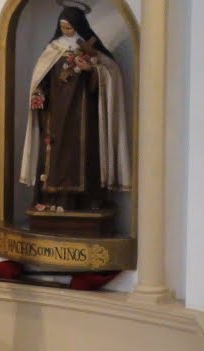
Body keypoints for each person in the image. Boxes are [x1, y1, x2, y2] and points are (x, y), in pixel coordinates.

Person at [19, 7, 130, 213]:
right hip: (57, 116)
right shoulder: (53, 49)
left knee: (86, 155)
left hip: (85, 117)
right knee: (57, 158)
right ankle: (55, 200)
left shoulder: (90, 48)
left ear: (79, 26)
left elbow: (111, 74)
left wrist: (92, 70)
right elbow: (42, 80)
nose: (66, 31)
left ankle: (88, 202)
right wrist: (38, 95)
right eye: (62, 27)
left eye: (70, 27)